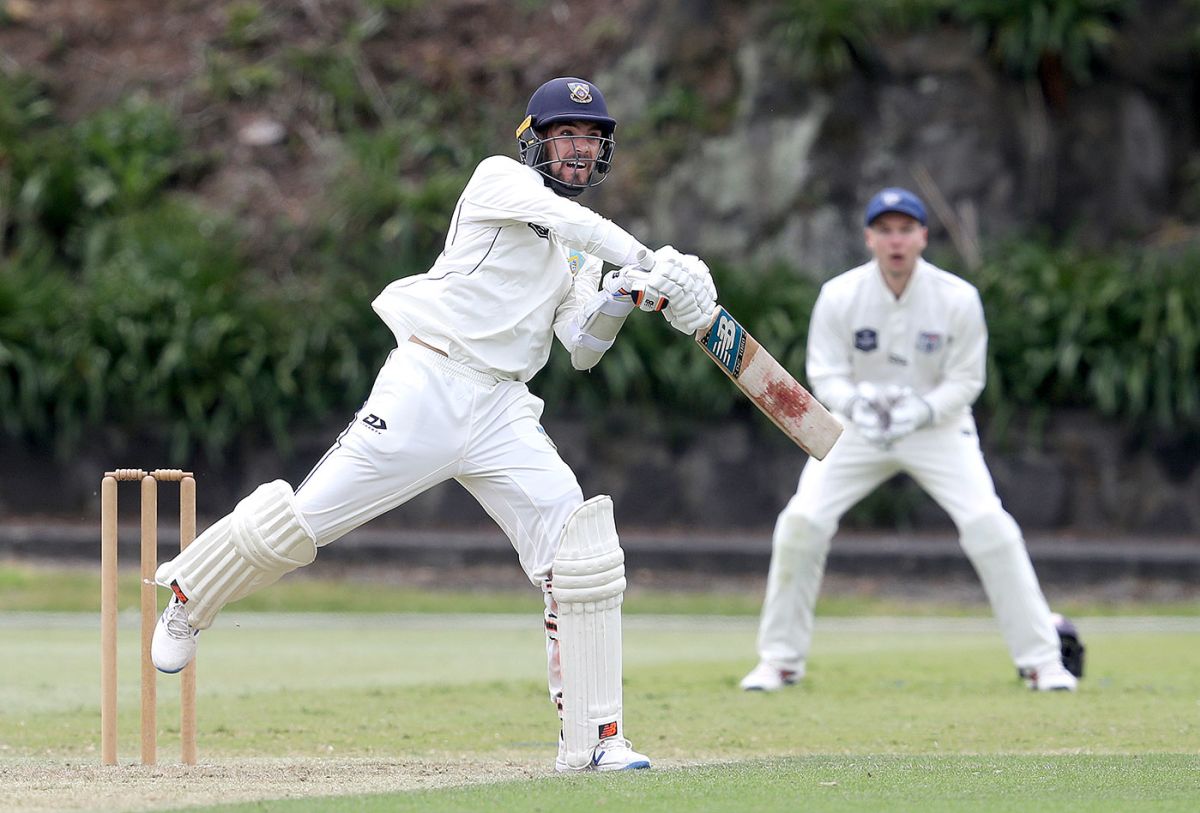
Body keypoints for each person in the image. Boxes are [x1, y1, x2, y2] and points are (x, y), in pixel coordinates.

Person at [150, 76, 719, 771]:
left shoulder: (586, 251)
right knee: (305, 521)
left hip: (504, 407)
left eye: (592, 138)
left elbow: (581, 347)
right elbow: (573, 222)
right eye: (567, 134)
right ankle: (191, 594)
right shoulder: (499, 180)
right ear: (535, 141)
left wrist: (625, 294)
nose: (580, 148)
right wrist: (652, 261)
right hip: (428, 382)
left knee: (578, 552)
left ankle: (594, 741)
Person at [740, 187, 1079, 694]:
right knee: (802, 523)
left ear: (922, 236)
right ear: (869, 238)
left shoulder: (957, 298)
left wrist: (921, 409)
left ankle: (1042, 662)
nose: (895, 241)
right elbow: (825, 373)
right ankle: (780, 662)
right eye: (885, 231)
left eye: (905, 230)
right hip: (857, 428)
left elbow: (967, 379)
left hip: (937, 428)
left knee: (990, 526)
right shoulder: (839, 294)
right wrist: (857, 404)